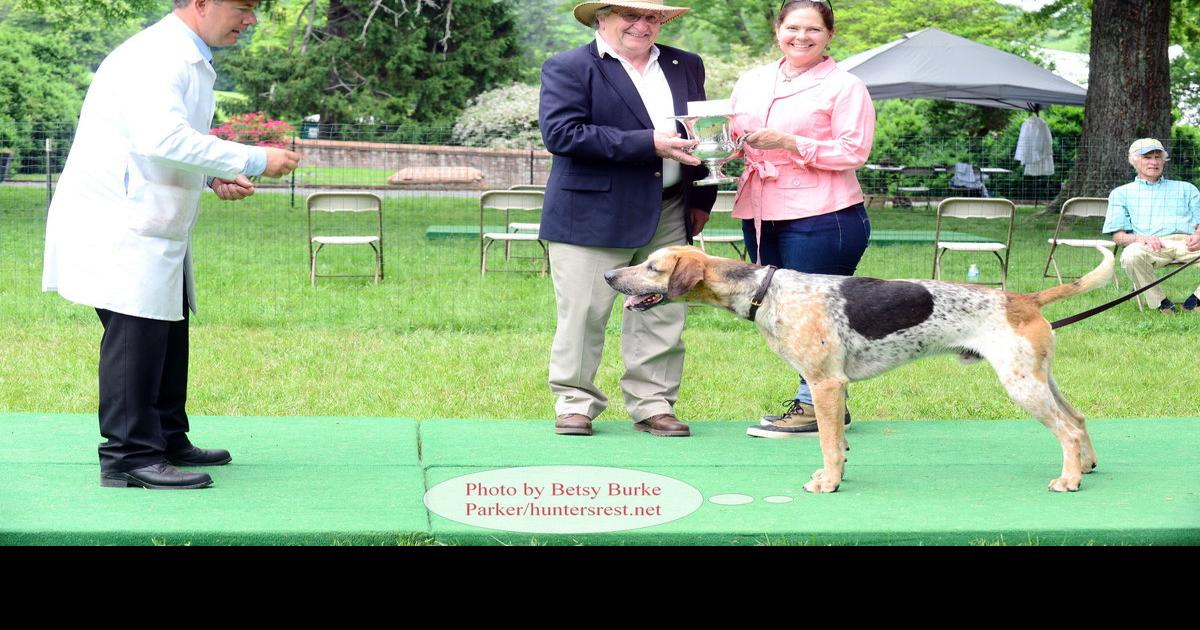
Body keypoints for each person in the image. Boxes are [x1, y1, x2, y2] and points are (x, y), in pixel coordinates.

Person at [42, 0, 301, 489]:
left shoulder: (187, 56)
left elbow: (164, 141)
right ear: (202, 4)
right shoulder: (156, 56)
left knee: (167, 329)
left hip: (148, 215)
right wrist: (249, 159)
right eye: (243, 8)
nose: (251, 20)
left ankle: (164, 436)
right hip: (119, 220)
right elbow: (160, 139)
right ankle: (128, 458)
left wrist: (213, 176)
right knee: (135, 337)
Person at [538, 1, 717, 437]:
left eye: (652, 17)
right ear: (601, 19)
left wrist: (703, 197)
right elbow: (561, 134)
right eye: (629, 15)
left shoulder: (685, 64)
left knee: (663, 312)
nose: (642, 24)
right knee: (583, 313)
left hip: (671, 206)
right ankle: (575, 402)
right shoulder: (568, 66)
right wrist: (648, 143)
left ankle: (653, 403)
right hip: (590, 213)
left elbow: (702, 132)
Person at [727, 0, 875, 438]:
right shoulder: (752, 80)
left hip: (823, 213)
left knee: (815, 313)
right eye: (793, 27)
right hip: (759, 208)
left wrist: (792, 142)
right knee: (779, 311)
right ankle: (825, 400)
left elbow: (854, 151)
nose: (802, 37)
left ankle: (814, 405)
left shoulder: (846, 87)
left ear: (829, 35)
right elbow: (733, 134)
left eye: (813, 29)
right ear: (778, 30)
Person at [1103, 138, 1200, 314]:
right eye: (1147, 157)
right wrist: (1142, 239)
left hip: (1189, 243)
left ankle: (1196, 301)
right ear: (1133, 160)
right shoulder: (1120, 193)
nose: (1154, 162)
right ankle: (1161, 304)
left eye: (1158, 157)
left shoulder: (1187, 188)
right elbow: (1118, 237)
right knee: (1130, 255)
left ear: (1164, 160)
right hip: (1150, 245)